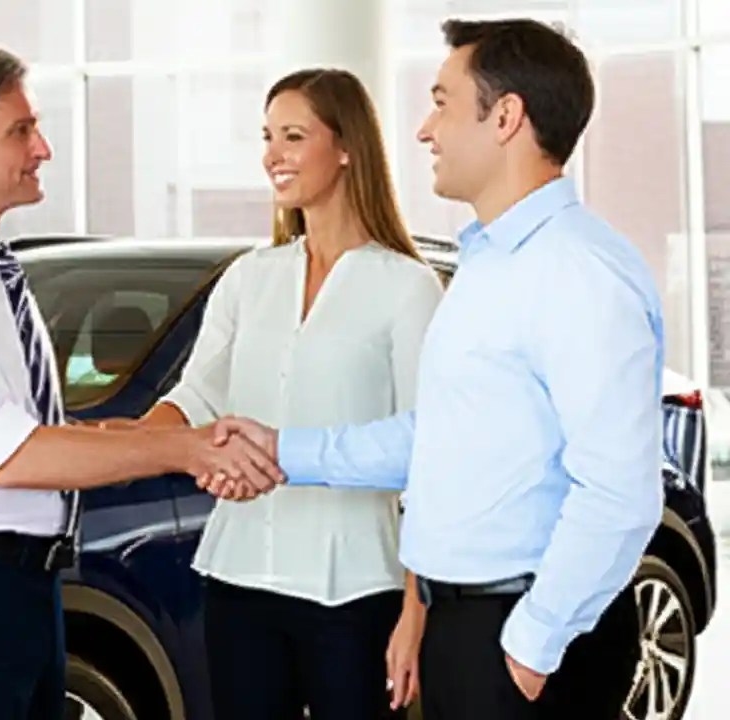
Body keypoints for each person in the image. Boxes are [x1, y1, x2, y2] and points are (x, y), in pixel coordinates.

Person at [205, 18, 662, 720]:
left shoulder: (577, 271)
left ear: (506, 116)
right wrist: (281, 450)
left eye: (442, 102)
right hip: (469, 626)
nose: (424, 129)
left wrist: (531, 648)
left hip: (522, 633)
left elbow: (620, 491)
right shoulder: (489, 262)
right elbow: (440, 439)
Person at [0, 46, 283, 720]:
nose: (42, 148)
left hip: (27, 591)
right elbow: (11, 454)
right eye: (21, 130)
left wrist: (136, 435)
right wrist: (186, 450)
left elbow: (36, 434)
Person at [102, 69, 442, 718]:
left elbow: (428, 454)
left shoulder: (407, 287)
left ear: (348, 148)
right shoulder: (249, 278)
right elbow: (197, 395)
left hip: (357, 592)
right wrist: (126, 445)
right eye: (267, 137)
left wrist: (414, 613)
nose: (272, 155)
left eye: (293, 135)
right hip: (241, 578)